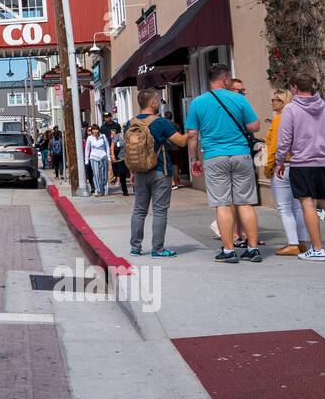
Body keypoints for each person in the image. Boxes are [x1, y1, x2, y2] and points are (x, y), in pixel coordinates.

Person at [186, 63, 263, 263]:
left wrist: (194, 159)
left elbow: (192, 135)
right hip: (241, 154)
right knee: (245, 203)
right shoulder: (238, 99)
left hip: (214, 156)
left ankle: (229, 250)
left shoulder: (198, 103)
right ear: (226, 78)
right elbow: (254, 125)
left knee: (222, 204)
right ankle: (252, 249)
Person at [276, 73, 325, 261]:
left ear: (294, 87)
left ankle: (317, 249)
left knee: (308, 204)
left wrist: (279, 161)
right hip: (324, 162)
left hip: (302, 162)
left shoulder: (291, 109)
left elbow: (285, 139)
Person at [126, 87, 189, 257]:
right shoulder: (160, 122)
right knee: (160, 210)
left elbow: (131, 150)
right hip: (160, 171)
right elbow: (182, 142)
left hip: (138, 172)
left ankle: (135, 247)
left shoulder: (130, 123)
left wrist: (132, 172)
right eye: (158, 101)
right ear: (153, 102)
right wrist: (192, 130)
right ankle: (158, 249)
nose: (159, 104)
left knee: (139, 210)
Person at [264, 90, 311, 256]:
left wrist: (269, 167)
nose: (272, 102)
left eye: (274, 100)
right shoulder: (299, 116)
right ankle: (302, 241)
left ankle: (292, 243)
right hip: (300, 163)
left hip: (283, 164)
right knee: (297, 206)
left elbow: (275, 146)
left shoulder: (279, 118)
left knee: (284, 207)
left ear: (283, 101)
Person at [85, 124, 111, 197]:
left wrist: (108, 157)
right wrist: (86, 159)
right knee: (96, 174)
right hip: (93, 157)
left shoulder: (103, 136)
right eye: (93, 130)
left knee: (104, 174)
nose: (95, 131)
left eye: (96, 129)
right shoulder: (90, 138)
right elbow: (87, 150)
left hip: (103, 156)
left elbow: (107, 147)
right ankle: (98, 190)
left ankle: (104, 189)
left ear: (98, 130)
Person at [111, 126, 129, 197]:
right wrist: (113, 156)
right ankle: (125, 190)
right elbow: (112, 146)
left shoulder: (132, 136)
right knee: (122, 174)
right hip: (120, 158)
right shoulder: (118, 136)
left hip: (131, 158)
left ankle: (135, 188)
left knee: (133, 174)